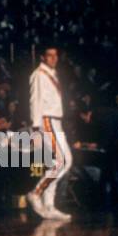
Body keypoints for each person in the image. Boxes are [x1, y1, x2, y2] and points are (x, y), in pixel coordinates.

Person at [27, 46, 72, 223]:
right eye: (50, 55)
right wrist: (36, 127)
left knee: (65, 162)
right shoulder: (39, 74)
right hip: (46, 120)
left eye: (56, 55)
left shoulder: (52, 74)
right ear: (42, 57)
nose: (54, 58)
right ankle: (36, 193)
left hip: (56, 120)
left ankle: (49, 205)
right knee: (61, 162)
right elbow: (35, 100)